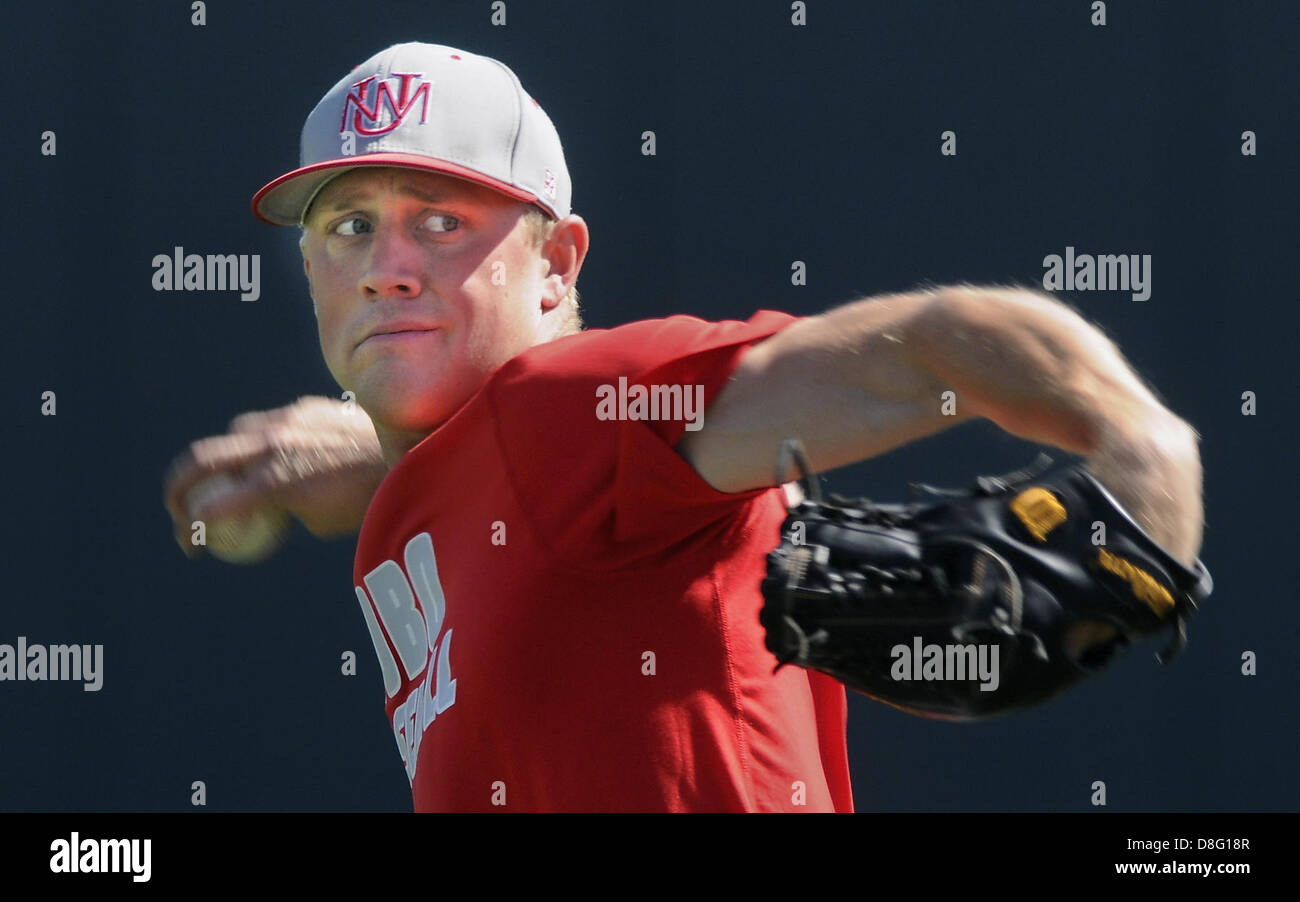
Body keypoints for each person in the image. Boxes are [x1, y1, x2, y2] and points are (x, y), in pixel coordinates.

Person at [162, 42, 1203, 812]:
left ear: (558, 264)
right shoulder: (451, 475)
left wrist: (1144, 451)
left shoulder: (585, 406)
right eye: (349, 227)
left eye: (440, 220)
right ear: (310, 274)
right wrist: (374, 450)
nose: (388, 262)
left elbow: (923, 347)